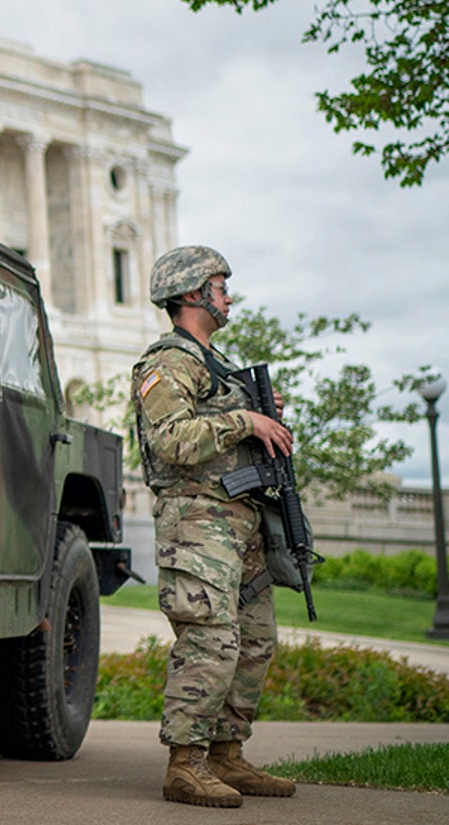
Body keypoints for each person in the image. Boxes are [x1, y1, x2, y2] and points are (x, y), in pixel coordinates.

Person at [131, 245, 297, 808]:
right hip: (197, 522)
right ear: (191, 294)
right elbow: (171, 440)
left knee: (255, 641)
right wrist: (242, 419)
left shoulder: (215, 364)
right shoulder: (169, 362)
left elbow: (219, 432)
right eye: (220, 286)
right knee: (209, 641)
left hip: (240, 522)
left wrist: (259, 417)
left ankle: (227, 754)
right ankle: (186, 763)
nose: (228, 296)